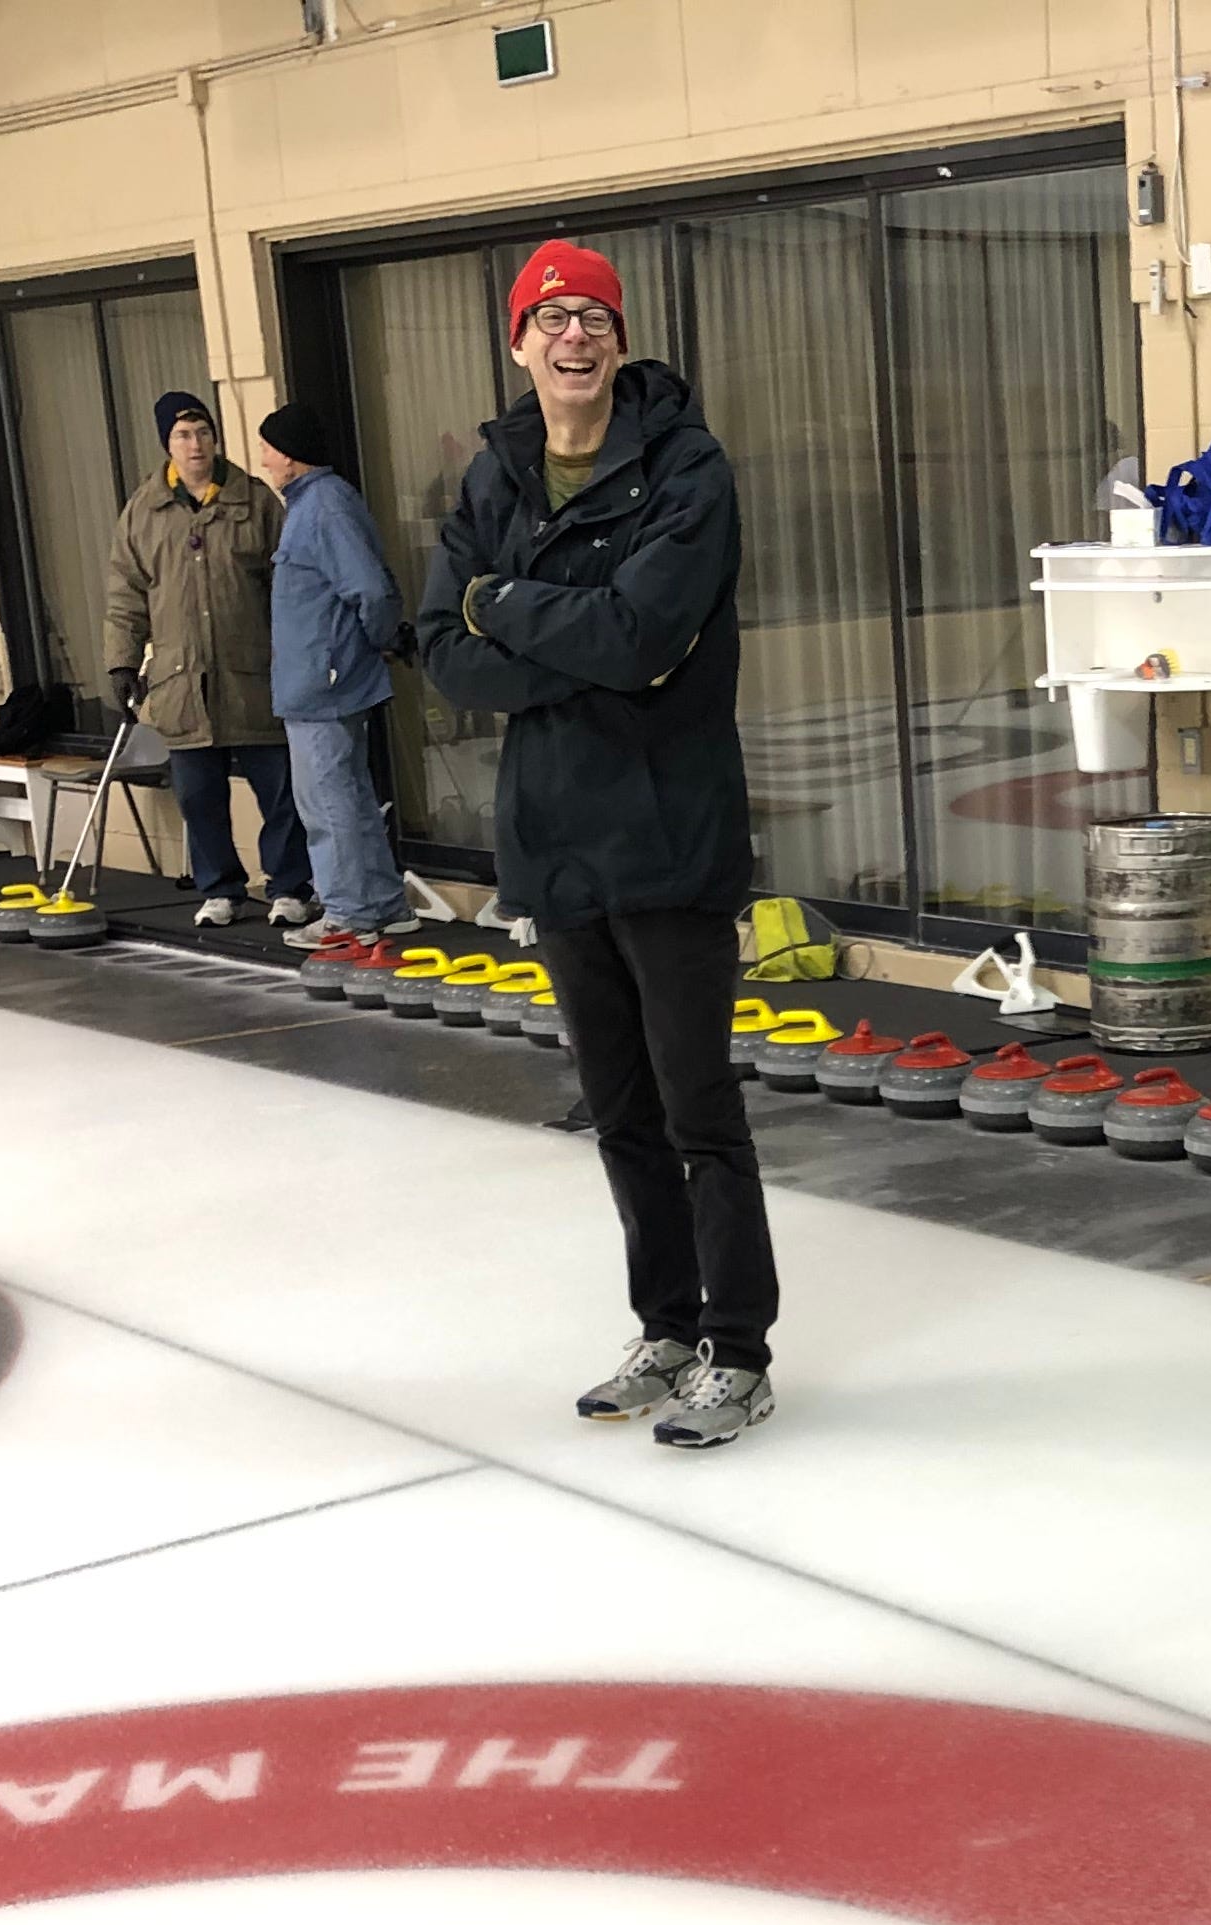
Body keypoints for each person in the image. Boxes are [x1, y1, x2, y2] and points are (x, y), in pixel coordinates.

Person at [413, 240, 780, 1452]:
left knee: (697, 1108)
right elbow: (443, 646)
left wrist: (509, 608)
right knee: (619, 1110)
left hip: (670, 829)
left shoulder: (687, 466)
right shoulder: (496, 474)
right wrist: (575, 642)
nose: (575, 336)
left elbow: (645, 636)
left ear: (619, 341)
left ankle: (738, 1352)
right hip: (555, 835)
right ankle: (665, 1328)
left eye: (595, 318)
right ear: (519, 341)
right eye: (552, 317)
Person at [102, 390, 313, 930]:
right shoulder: (143, 512)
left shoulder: (255, 502)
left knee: (281, 792)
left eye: (203, 433)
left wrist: (298, 655)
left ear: (215, 439)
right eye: (182, 435)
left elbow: (290, 584)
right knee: (199, 797)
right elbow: (126, 597)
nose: (195, 444)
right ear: (166, 444)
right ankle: (220, 890)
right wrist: (122, 663)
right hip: (181, 683)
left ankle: (291, 887)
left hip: (253, 676)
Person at [244, 403, 411, 948]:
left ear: (290, 455)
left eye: (268, 448)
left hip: (324, 682)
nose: (264, 459)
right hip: (321, 678)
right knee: (350, 797)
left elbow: (370, 589)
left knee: (327, 802)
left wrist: (383, 637)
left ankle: (348, 914)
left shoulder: (322, 507)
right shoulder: (316, 504)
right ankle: (381, 904)